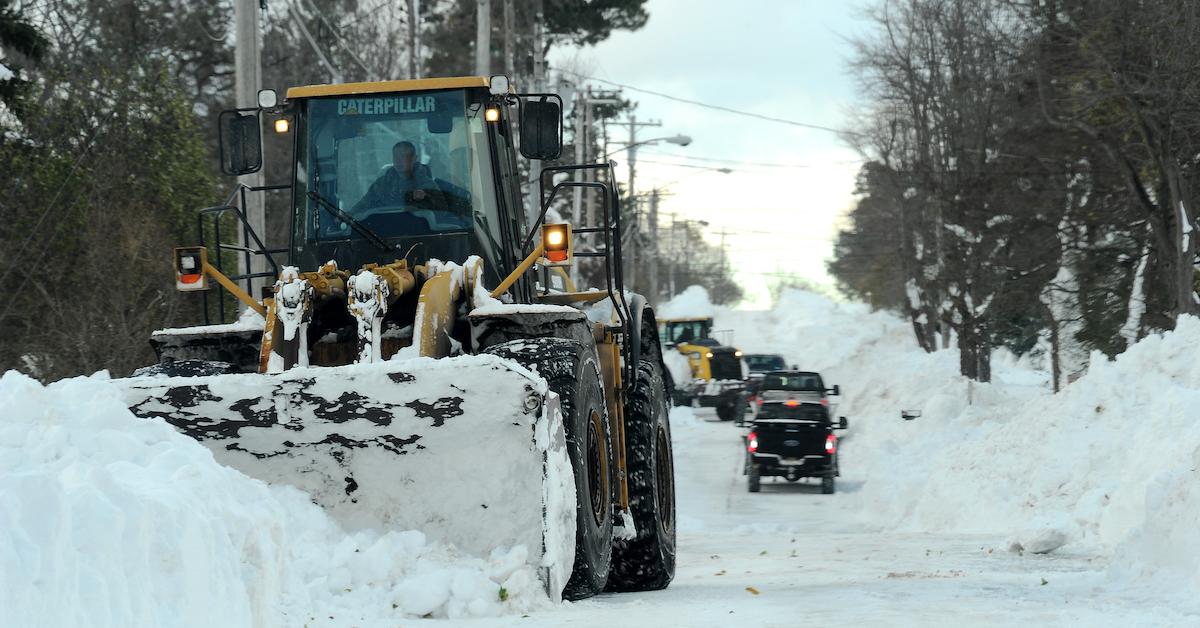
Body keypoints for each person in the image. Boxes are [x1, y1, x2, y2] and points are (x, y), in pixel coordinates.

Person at [352, 141, 447, 213]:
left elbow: (442, 209)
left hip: (418, 233)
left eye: (403, 156)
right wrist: (349, 215)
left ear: (414, 158)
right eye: (395, 156)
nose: (398, 160)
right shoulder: (382, 184)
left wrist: (424, 201)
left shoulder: (426, 184)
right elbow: (364, 204)